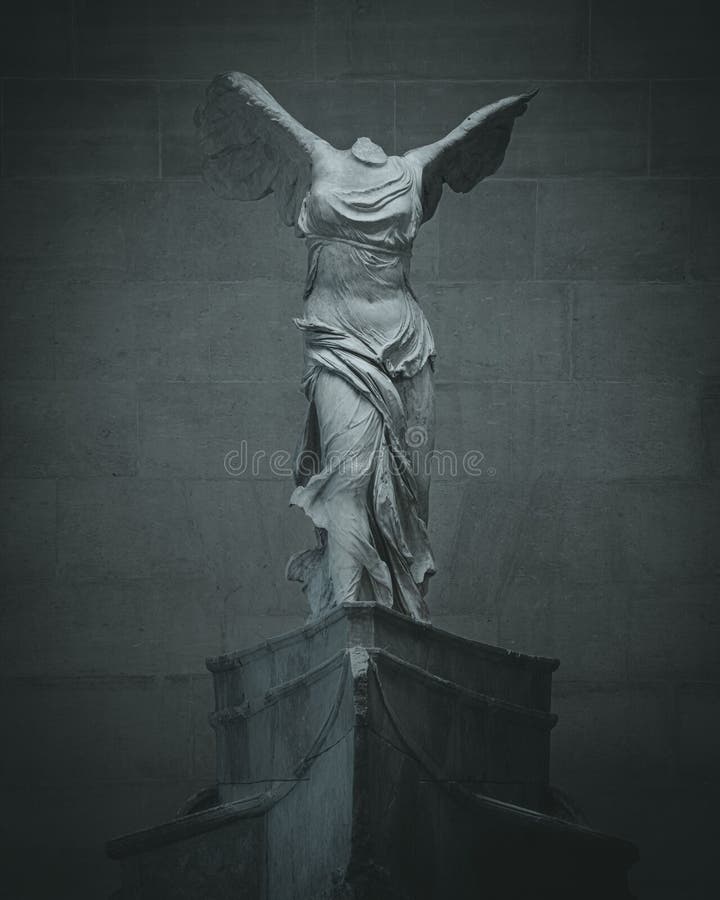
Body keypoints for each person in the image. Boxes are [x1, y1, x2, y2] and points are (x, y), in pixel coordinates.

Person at [195, 73, 535, 621]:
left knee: (405, 490)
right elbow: (244, 99)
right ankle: (348, 617)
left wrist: (495, 116)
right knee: (348, 475)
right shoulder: (316, 156)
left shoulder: (415, 168)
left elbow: (474, 134)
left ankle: (397, 611)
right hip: (337, 341)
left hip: (404, 345)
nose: (368, 144)